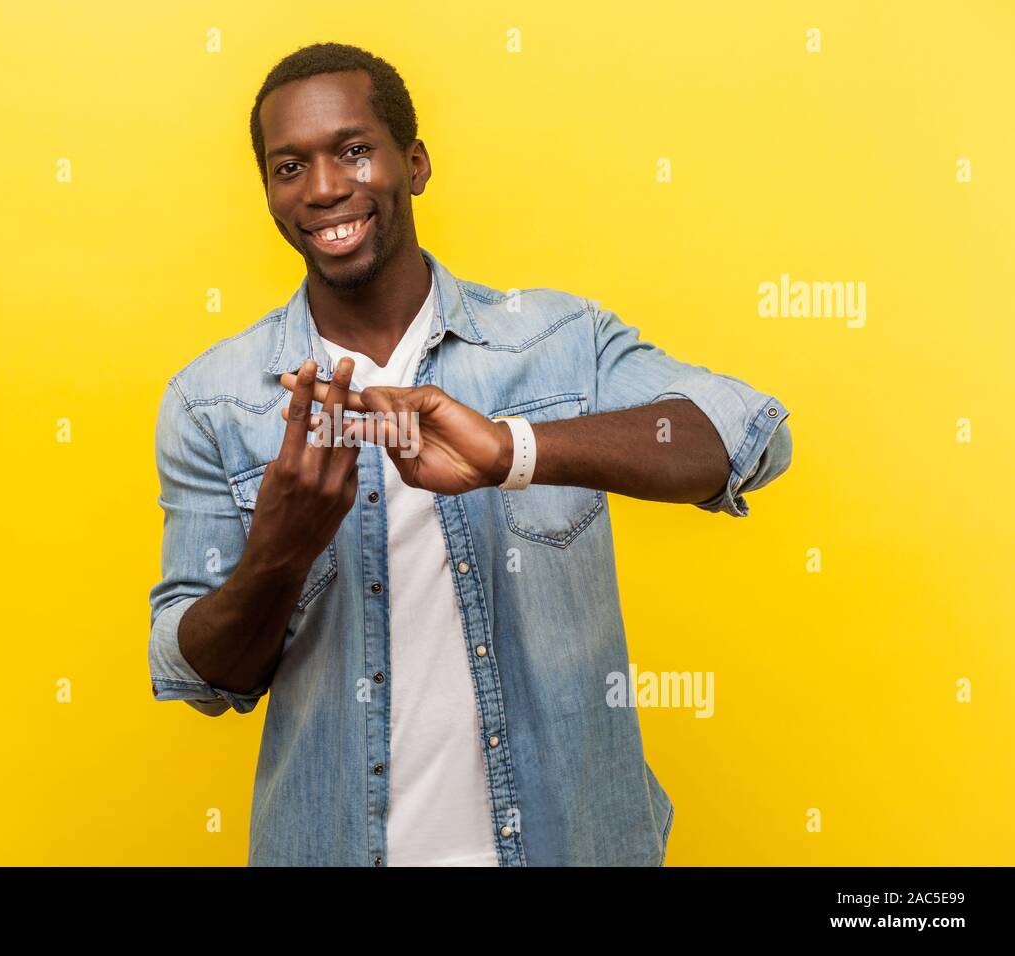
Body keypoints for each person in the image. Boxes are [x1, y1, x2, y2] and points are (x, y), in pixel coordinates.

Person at [148, 42, 793, 866]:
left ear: (413, 164)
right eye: (288, 166)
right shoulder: (212, 402)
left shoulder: (558, 342)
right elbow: (204, 679)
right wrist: (280, 547)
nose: (323, 188)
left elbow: (750, 437)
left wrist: (515, 450)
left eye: (352, 150)